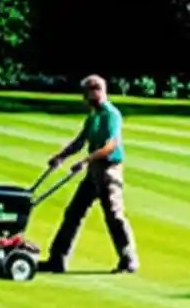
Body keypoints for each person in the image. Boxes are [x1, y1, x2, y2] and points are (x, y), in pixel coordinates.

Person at [42, 74, 139, 274]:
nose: (84, 98)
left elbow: (111, 145)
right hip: (93, 171)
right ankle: (57, 259)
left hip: (108, 170)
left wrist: (86, 160)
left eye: (86, 93)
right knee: (73, 213)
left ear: (96, 91)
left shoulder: (111, 115)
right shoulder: (93, 115)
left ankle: (128, 259)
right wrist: (61, 157)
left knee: (114, 215)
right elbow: (80, 141)